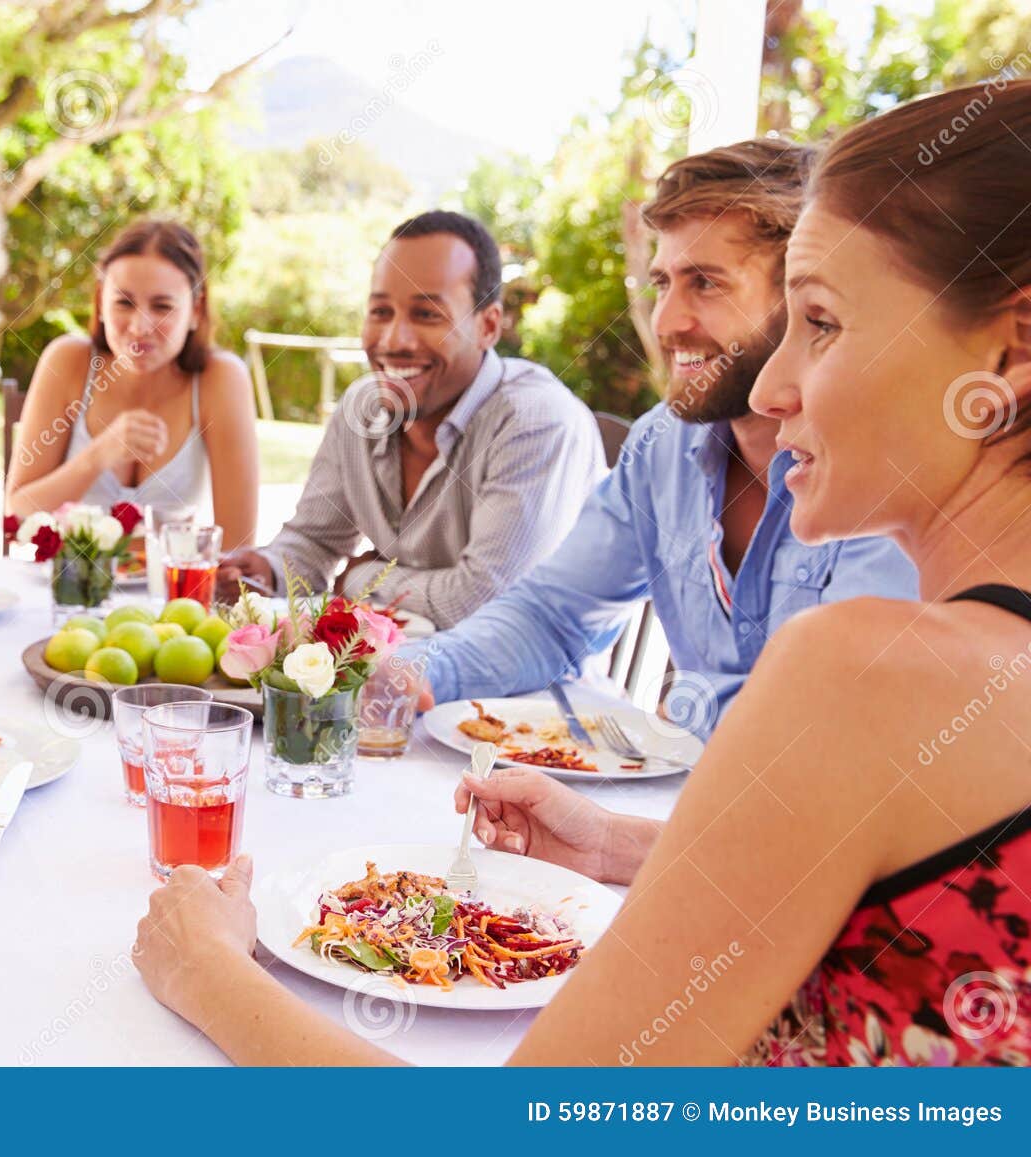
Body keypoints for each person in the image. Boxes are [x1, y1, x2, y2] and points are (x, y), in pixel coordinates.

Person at [132, 79, 1031, 1066]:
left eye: (819, 320)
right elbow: (880, 879)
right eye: (661, 283)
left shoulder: (866, 670)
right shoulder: (949, 657)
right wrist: (625, 847)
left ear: (1009, 351)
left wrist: (208, 968)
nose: (779, 385)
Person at [404, 141, 917, 735]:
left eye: (706, 284)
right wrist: (419, 669)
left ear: (804, 297)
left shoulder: (886, 466)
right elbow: (552, 616)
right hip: (685, 811)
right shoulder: (663, 446)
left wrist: (689, 706)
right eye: (663, 284)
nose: (668, 322)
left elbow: (841, 711)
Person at [214, 211, 602, 629]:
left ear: (488, 326)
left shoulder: (535, 421)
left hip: (532, 690)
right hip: (398, 675)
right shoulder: (360, 411)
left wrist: (359, 578)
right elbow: (314, 540)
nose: (394, 341)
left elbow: (484, 604)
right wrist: (266, 569)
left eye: (427, 314)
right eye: (381, 312)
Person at [5, 220, 259, 548]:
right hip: (67, 594)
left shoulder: (220, 378)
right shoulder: (68, 361)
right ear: (100, 302)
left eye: (162, 306)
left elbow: (238, 544)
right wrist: (99, 454)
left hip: (170, 595)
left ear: (195, 310)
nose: (140, 327)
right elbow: (20, 511)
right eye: (124, 303)